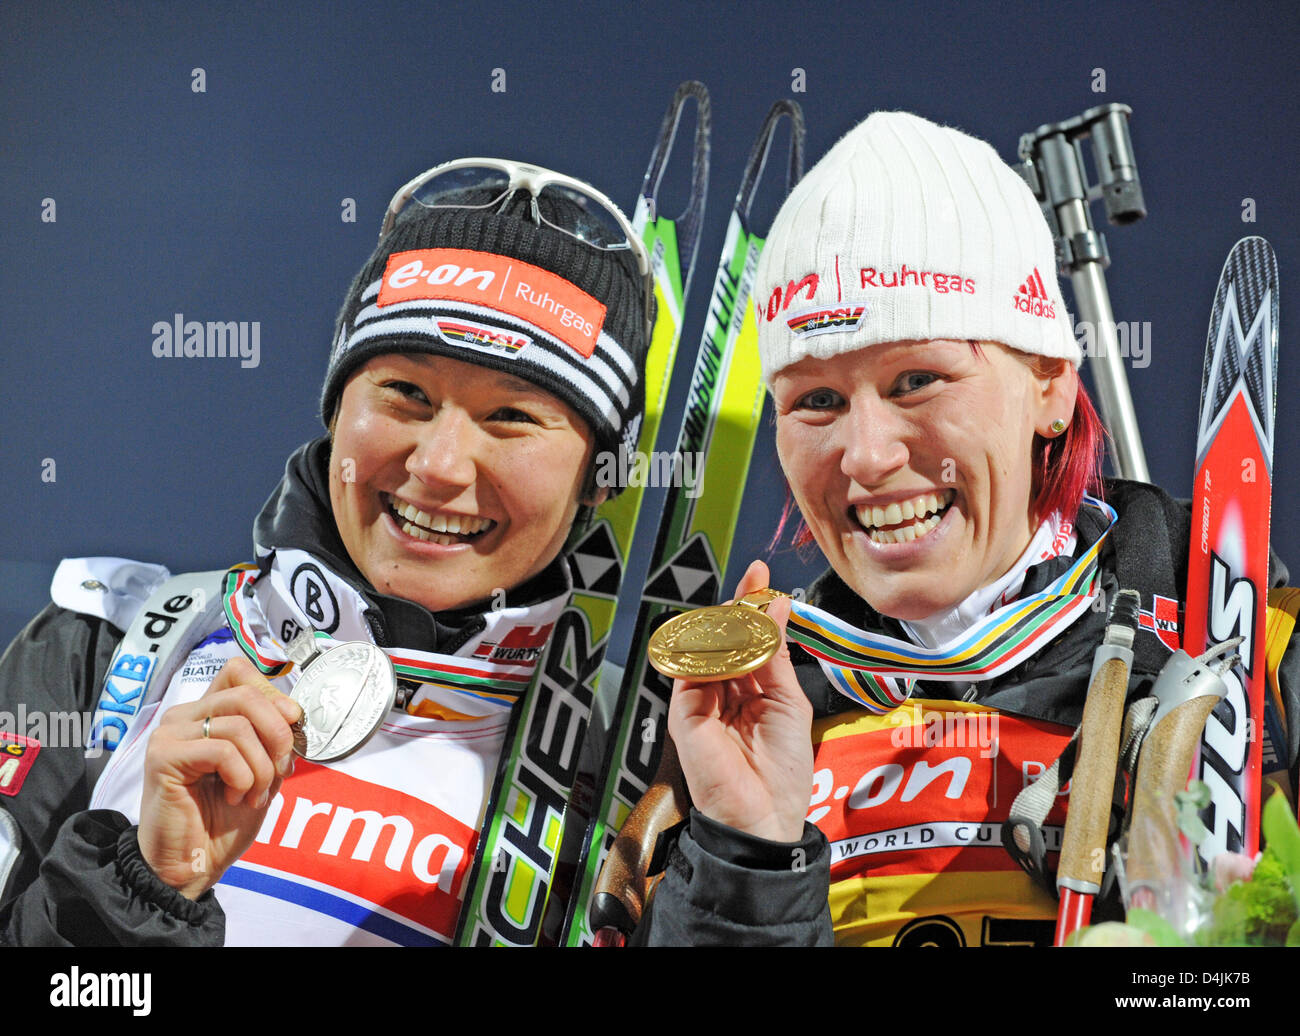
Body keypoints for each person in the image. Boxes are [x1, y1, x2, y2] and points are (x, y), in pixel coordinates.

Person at [635, 111, 1300, 946]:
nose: (868, 455)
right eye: (816, 401)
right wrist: (750, 862)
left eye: (918, 379)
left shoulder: (1252, 646)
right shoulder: (754, 713)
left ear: (1052, 384)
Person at [0, 158, 651, 946]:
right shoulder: (115, 645)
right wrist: (141, 890)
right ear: (339, 404)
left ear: (597, 478)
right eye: (406, 393)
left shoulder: (637, 760)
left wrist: (742, 863)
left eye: (511, 416)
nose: (440, 465)